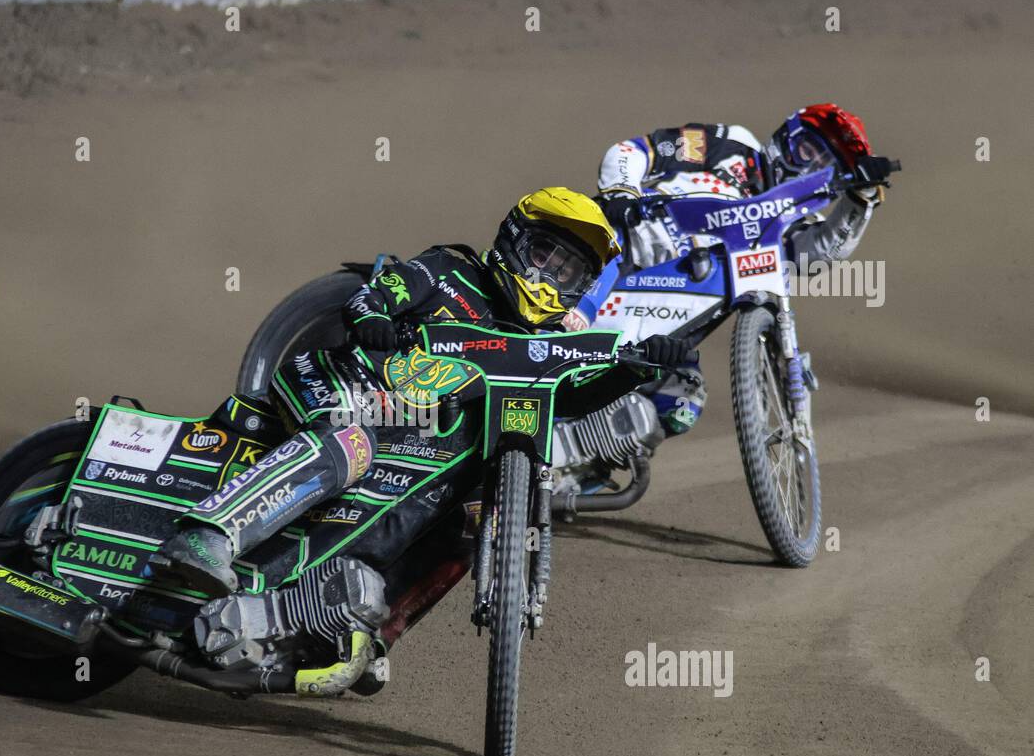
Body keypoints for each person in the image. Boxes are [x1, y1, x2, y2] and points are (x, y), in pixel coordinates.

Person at [150, 187, 673, 598]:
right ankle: (210, 534)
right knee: (349, 441)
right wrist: (375, 319)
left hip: (414, 441)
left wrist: (638, 369)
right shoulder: (448, 270)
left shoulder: (543, 341)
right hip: (337, 380)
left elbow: (572, 398)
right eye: (545, 255)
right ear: (517, 237)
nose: (550, 276)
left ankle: (364, 624)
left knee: (466, 522)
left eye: (568, 271)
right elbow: (370, 296)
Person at [589, 104, 896, 436]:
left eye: (824, 165)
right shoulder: (732, 145)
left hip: (665, 314)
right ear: (787, 136)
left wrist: (861, 198)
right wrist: (620, 193)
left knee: (682, 404)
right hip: (624, 246)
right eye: (808, 150)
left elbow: (819, 253)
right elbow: (636, 151)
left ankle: (582, 465)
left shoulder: (788, 223)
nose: (809, 167)